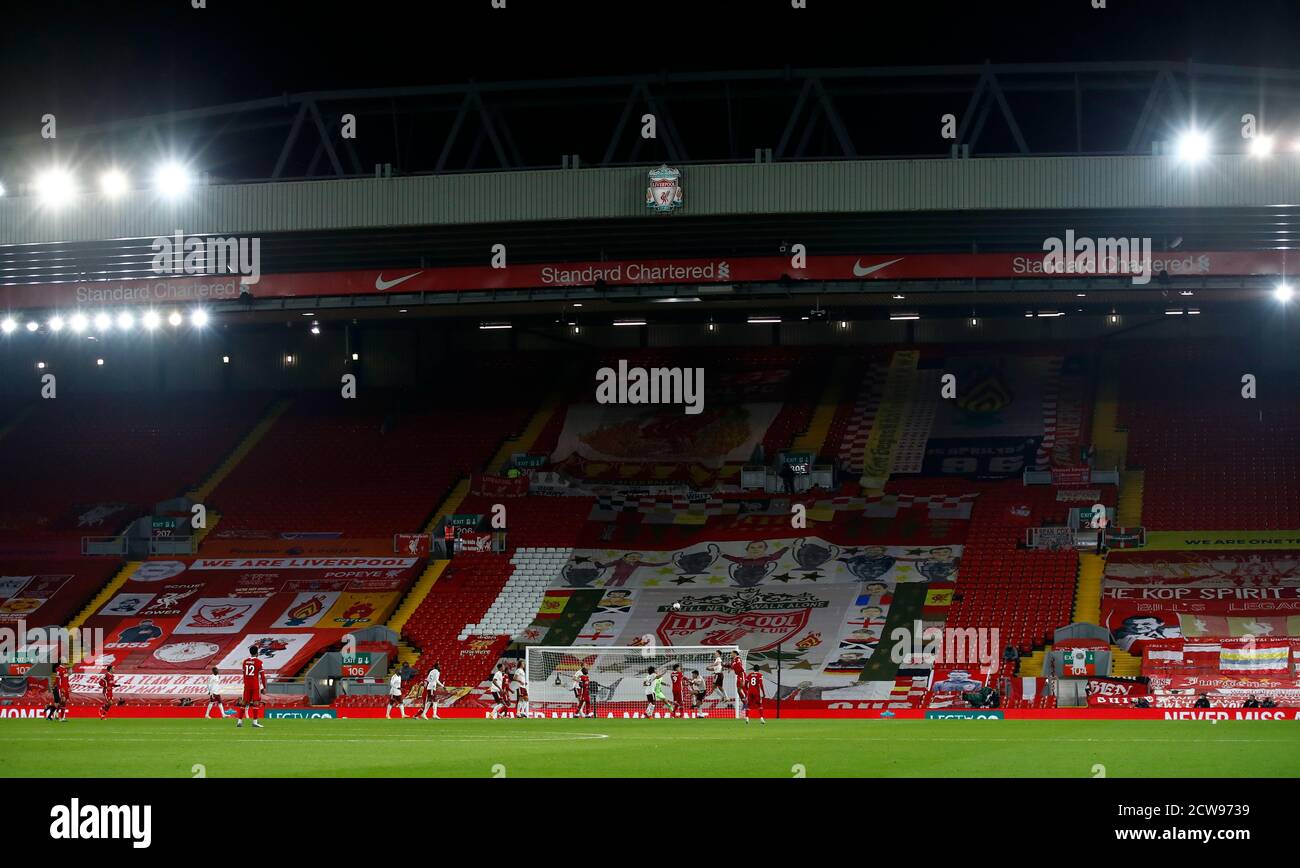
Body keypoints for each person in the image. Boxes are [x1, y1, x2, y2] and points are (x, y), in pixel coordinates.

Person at [238, 645, 267, 728]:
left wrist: (246, 683)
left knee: (244, 702)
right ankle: (255, 722)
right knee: (256, 702)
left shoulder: (245, 662)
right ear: (257, 653)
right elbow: (262, 676)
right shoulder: (259, 662)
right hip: (255, 685)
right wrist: (264, 687)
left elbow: (244, 674)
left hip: (247, 685)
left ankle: (239, 721)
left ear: (250, 652)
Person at [730, 651, 747, 719]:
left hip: (741, 674)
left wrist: (732, 666)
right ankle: (745, 702)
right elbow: (731, 666)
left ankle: (746, 699)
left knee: (742, 687)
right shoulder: (733, 660)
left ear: (735, 654)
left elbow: (738, 665)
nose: (731, 654)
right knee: (738, 690)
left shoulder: (738, 658)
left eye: (732, 653)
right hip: (738, 676)